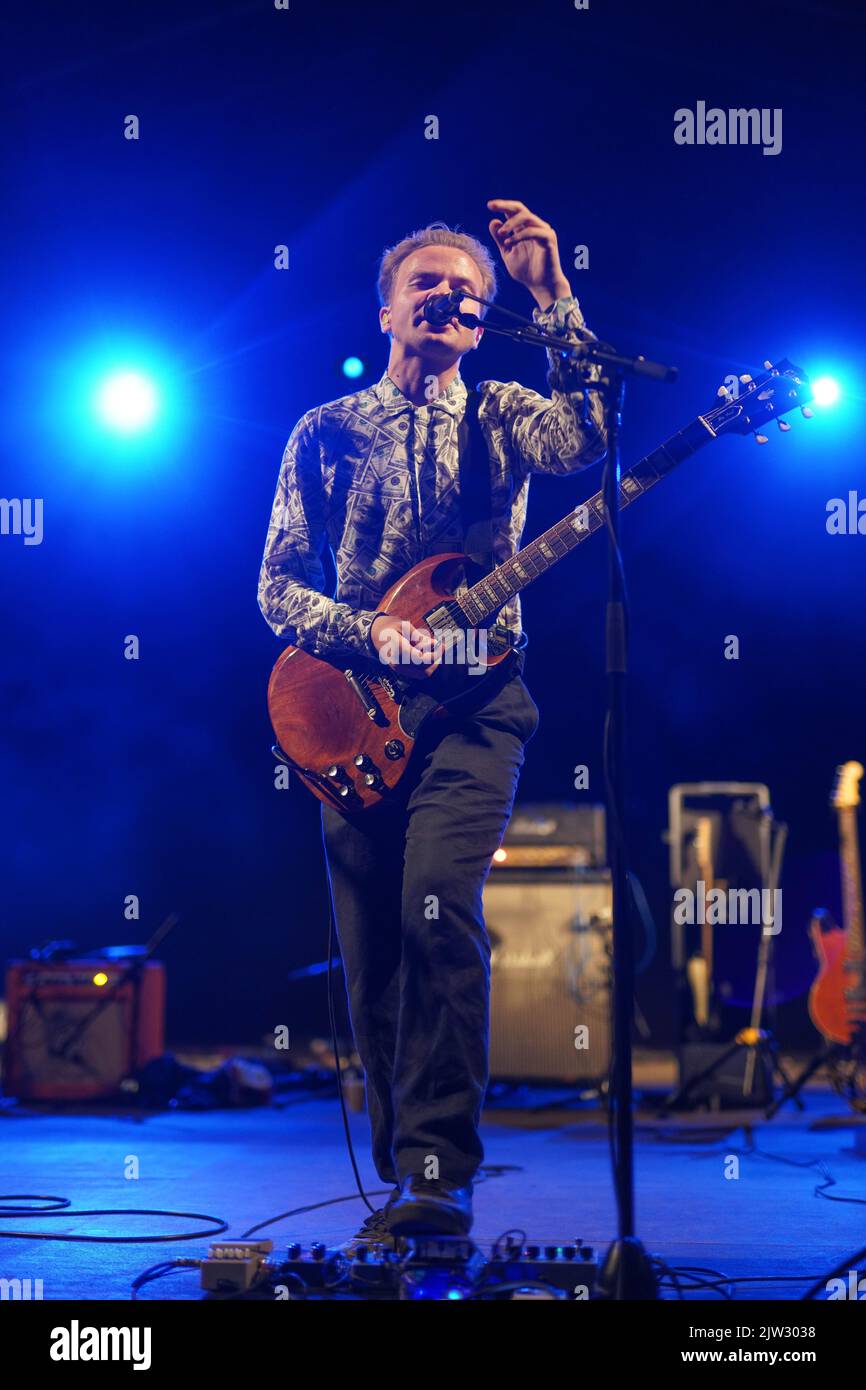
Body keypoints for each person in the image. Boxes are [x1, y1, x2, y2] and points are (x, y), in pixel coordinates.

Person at [258, 200, 607, 1245]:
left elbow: (584, 437)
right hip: (355, 720)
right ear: (385, 310)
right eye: (427, 283)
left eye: (467, 289)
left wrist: (549, 293)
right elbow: (277, 589)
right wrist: (370, 632)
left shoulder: (503, 412)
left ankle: (437, 1171)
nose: (450, 295)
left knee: (434, 909)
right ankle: (403, 1170)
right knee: (370, 954)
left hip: (476, 706)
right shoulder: (323, 434)